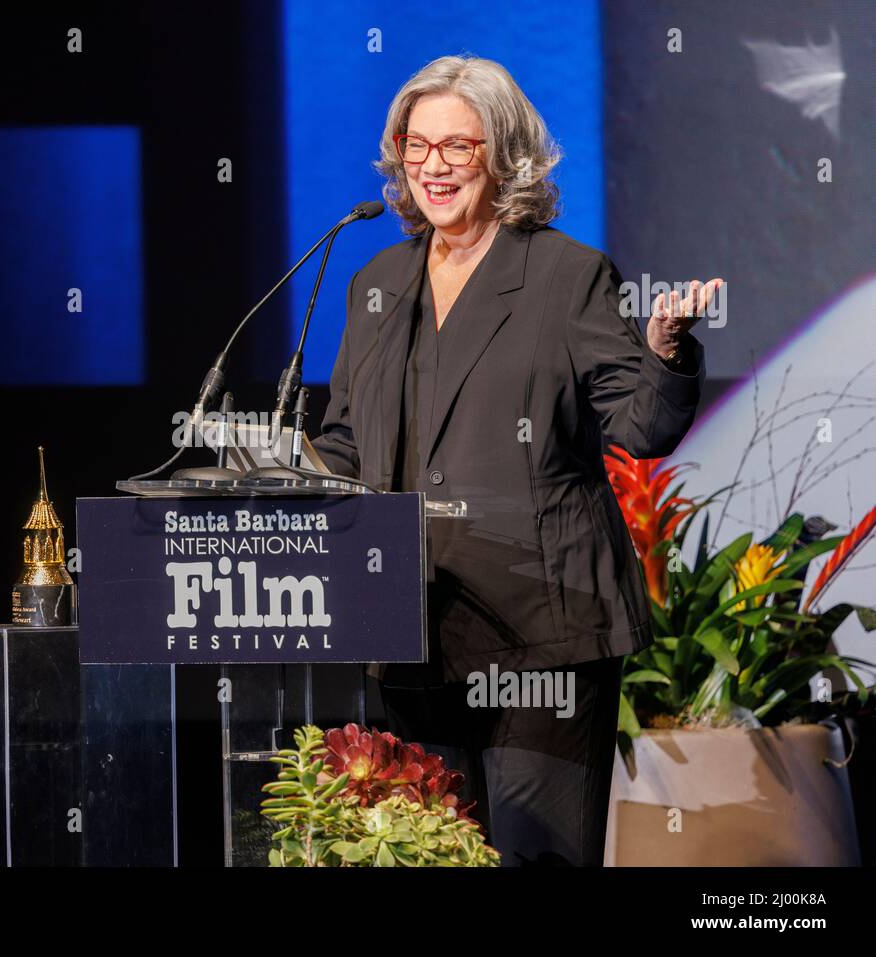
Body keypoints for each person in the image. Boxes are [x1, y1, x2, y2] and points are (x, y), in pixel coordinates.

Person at [310, 54, 723, 866]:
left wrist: (666, 354)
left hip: (543, 635)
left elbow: (640, 427)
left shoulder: (565, 277)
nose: (431, 166)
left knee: (536, 857)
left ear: (504, 156)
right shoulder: (378, 283)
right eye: (415, 144)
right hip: (409, 633)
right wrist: (289, 476)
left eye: (456, 147)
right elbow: (346, 442)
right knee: (427, 854)